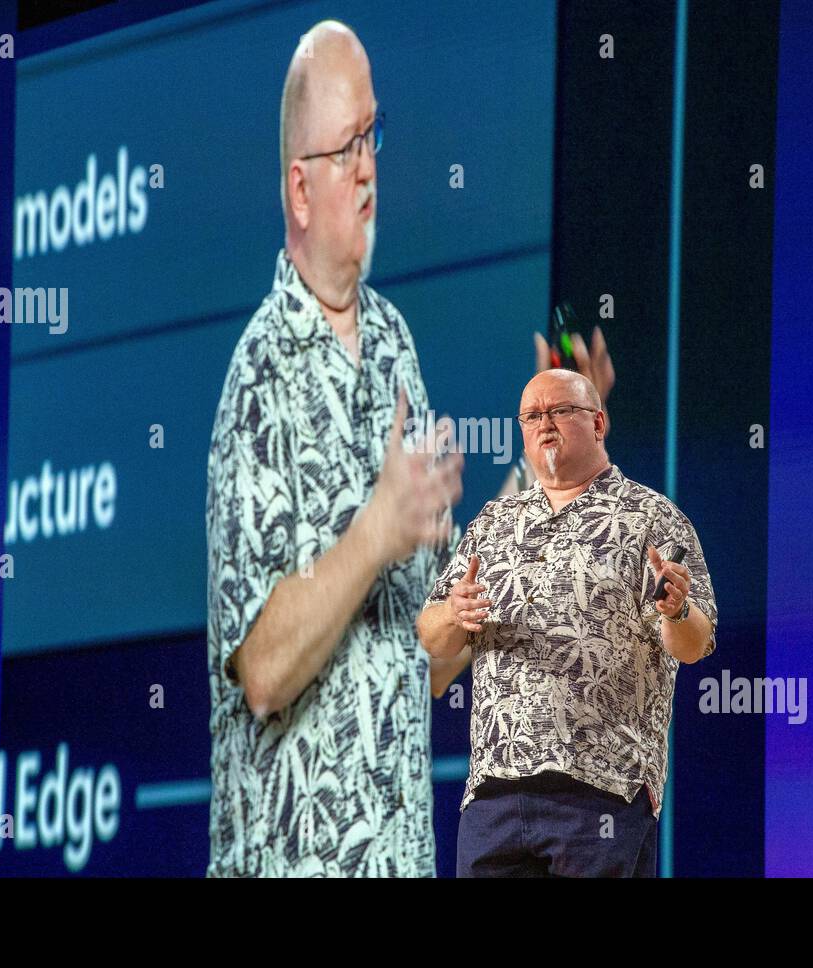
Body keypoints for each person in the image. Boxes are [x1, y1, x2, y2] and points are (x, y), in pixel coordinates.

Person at [205, 20, 614, 877]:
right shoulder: (259, 373)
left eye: (374, 137)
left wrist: (551, 455)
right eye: (345, 147)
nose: (367, 167)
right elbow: (264, 672)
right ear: (300, 191)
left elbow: (435, 647)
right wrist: (377, 533)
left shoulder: (394, 344)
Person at [417, 368, 716, 877]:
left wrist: (677, 610)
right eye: (532, 416)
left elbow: (694, 644)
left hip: (601, 791)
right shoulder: (493, 523)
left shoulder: (651, 518)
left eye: (560, 411)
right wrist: (453, 612)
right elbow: (433, 638)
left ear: (598, 423)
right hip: (495, 794)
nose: (544, 423)